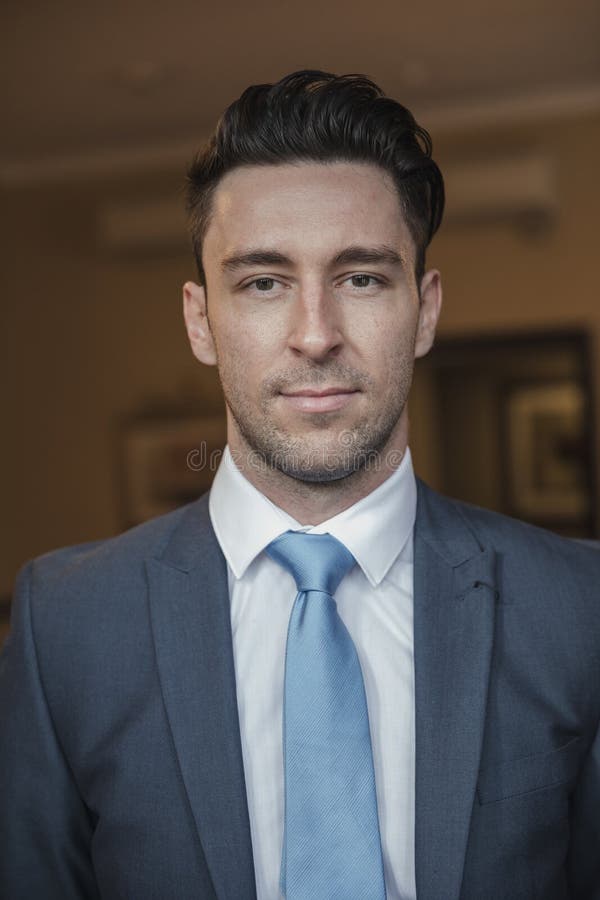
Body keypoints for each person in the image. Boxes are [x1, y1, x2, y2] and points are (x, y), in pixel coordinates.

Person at [0, 70, 599, 900]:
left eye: (361, 278)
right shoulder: (64, 625)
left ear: (423, 311)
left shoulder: (580, 606)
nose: (315, 335)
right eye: (262, 283)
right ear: (200, 319)